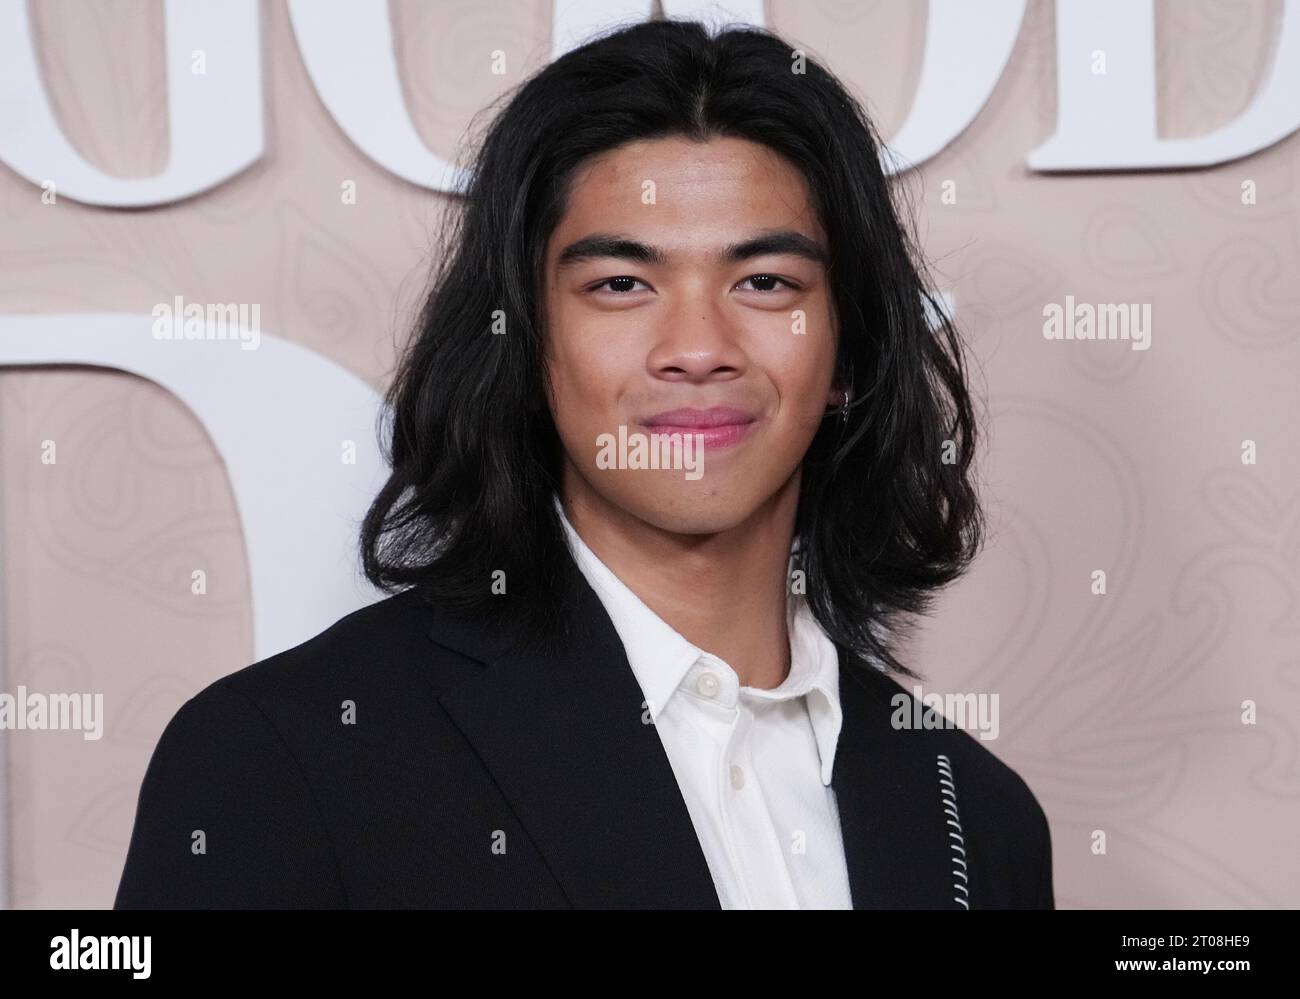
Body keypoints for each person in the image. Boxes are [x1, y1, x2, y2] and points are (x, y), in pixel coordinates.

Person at [115, 17, 1054, 909]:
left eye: (765, 282)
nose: (697, 347)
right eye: (622, 284)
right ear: (525, 345)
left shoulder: (976, 815)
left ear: (849, 353)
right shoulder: (284, 755)